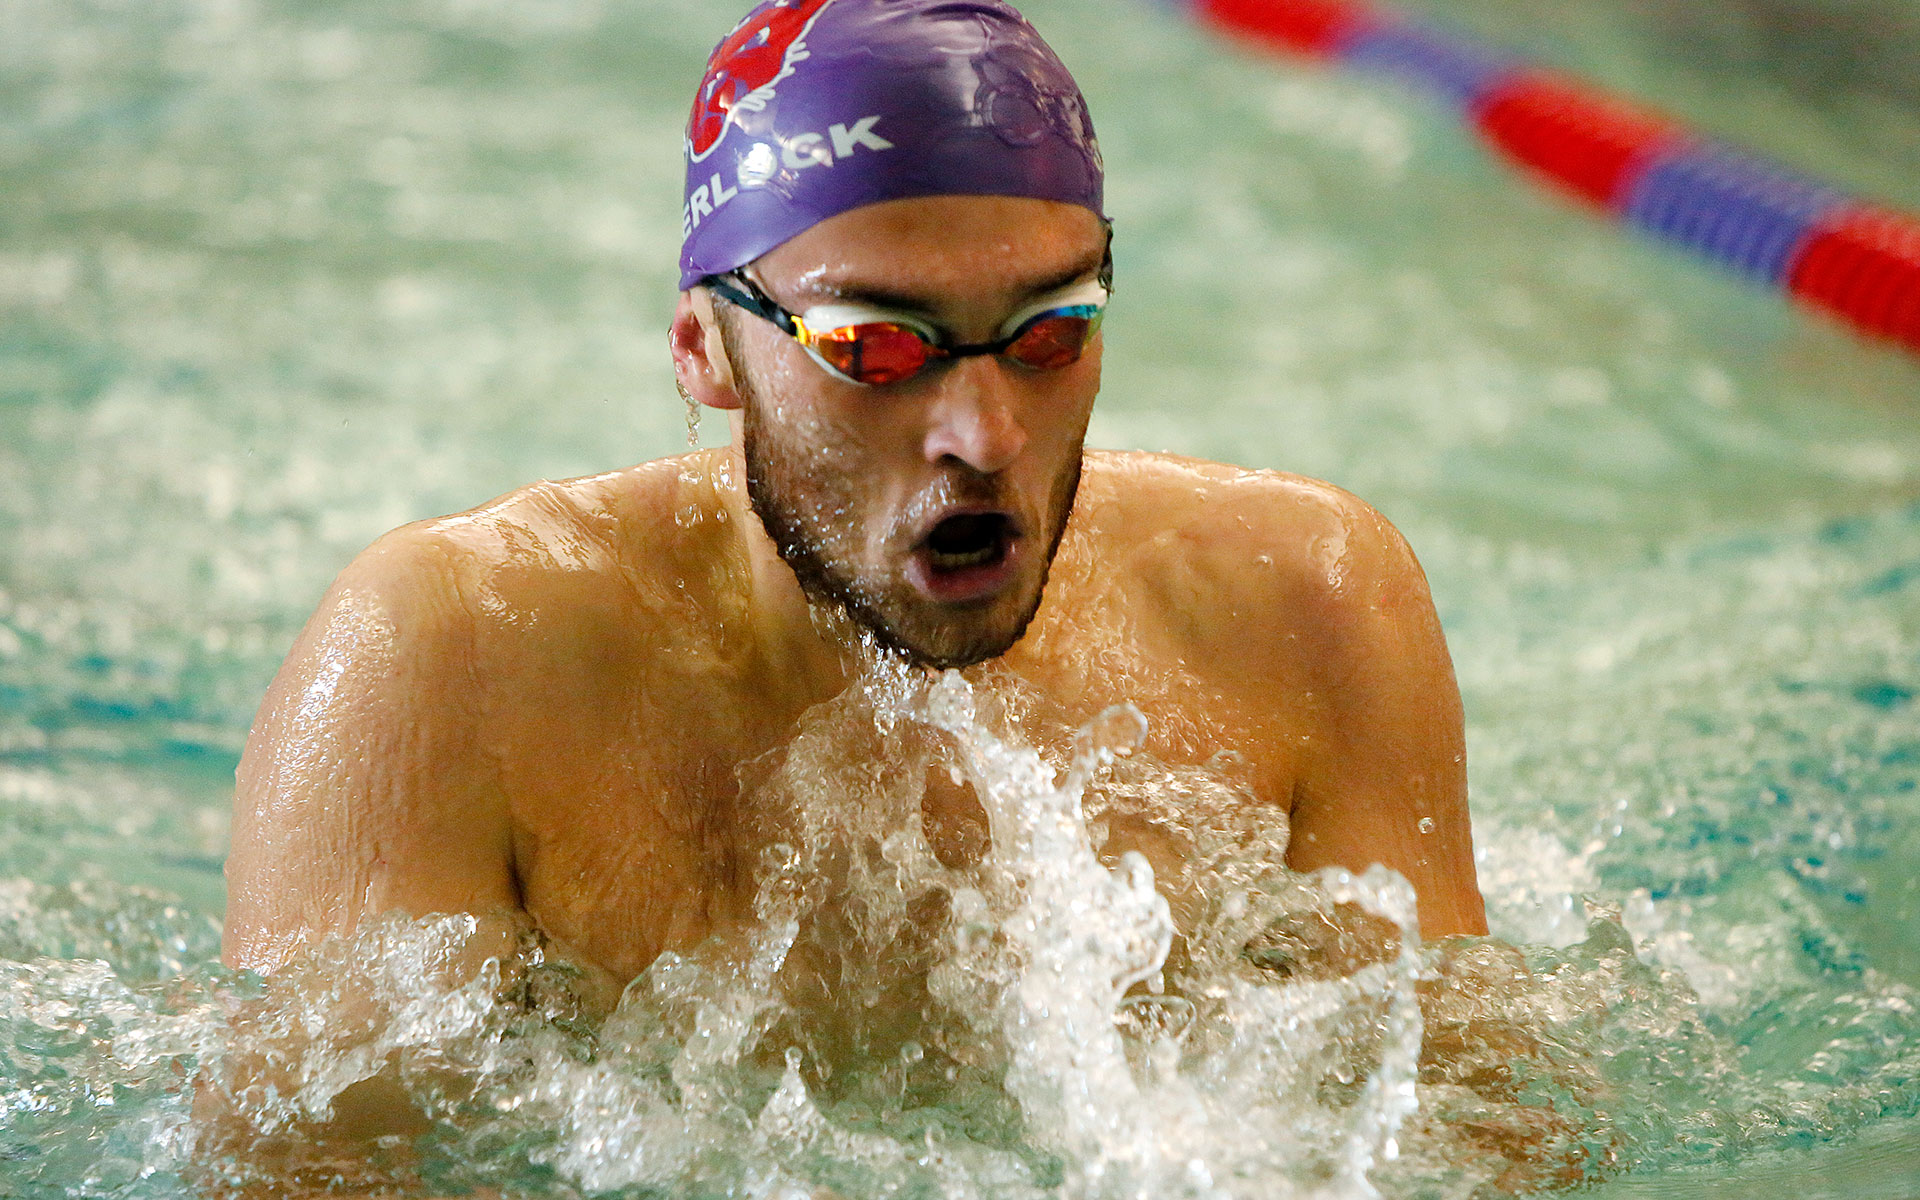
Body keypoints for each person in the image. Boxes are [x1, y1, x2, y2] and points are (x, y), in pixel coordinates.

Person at [222, 0, 1487, 1010]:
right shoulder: (444, 662)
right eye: (878, 346)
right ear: (703, 353)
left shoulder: (1313, 606)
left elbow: (1477, 1138)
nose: (983, 434)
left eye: (1052, 331)